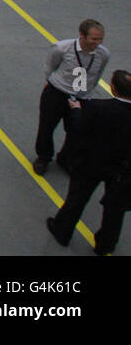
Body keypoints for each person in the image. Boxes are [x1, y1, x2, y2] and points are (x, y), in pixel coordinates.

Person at [46, 68, 131, 255]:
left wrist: (76, 111)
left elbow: (78, 129)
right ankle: (105, 245)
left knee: (77, 198)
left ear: (113, 88)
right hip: (122, 170)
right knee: (114, 211)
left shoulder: (98, 107)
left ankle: (62, 230)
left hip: (91, 163)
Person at [34, 20, 109, 176]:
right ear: (82, 35)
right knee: (47, 127)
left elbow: (97, 74)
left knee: (77, 131)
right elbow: (50, 67)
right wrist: (52, 83)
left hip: (82, 96)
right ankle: (44, 157)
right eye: (94, 39)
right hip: (58, 92)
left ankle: (65, 158)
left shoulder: (103, 54)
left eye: (100, 39)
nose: (97, 43)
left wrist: (86, 92)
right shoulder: (62, 48)